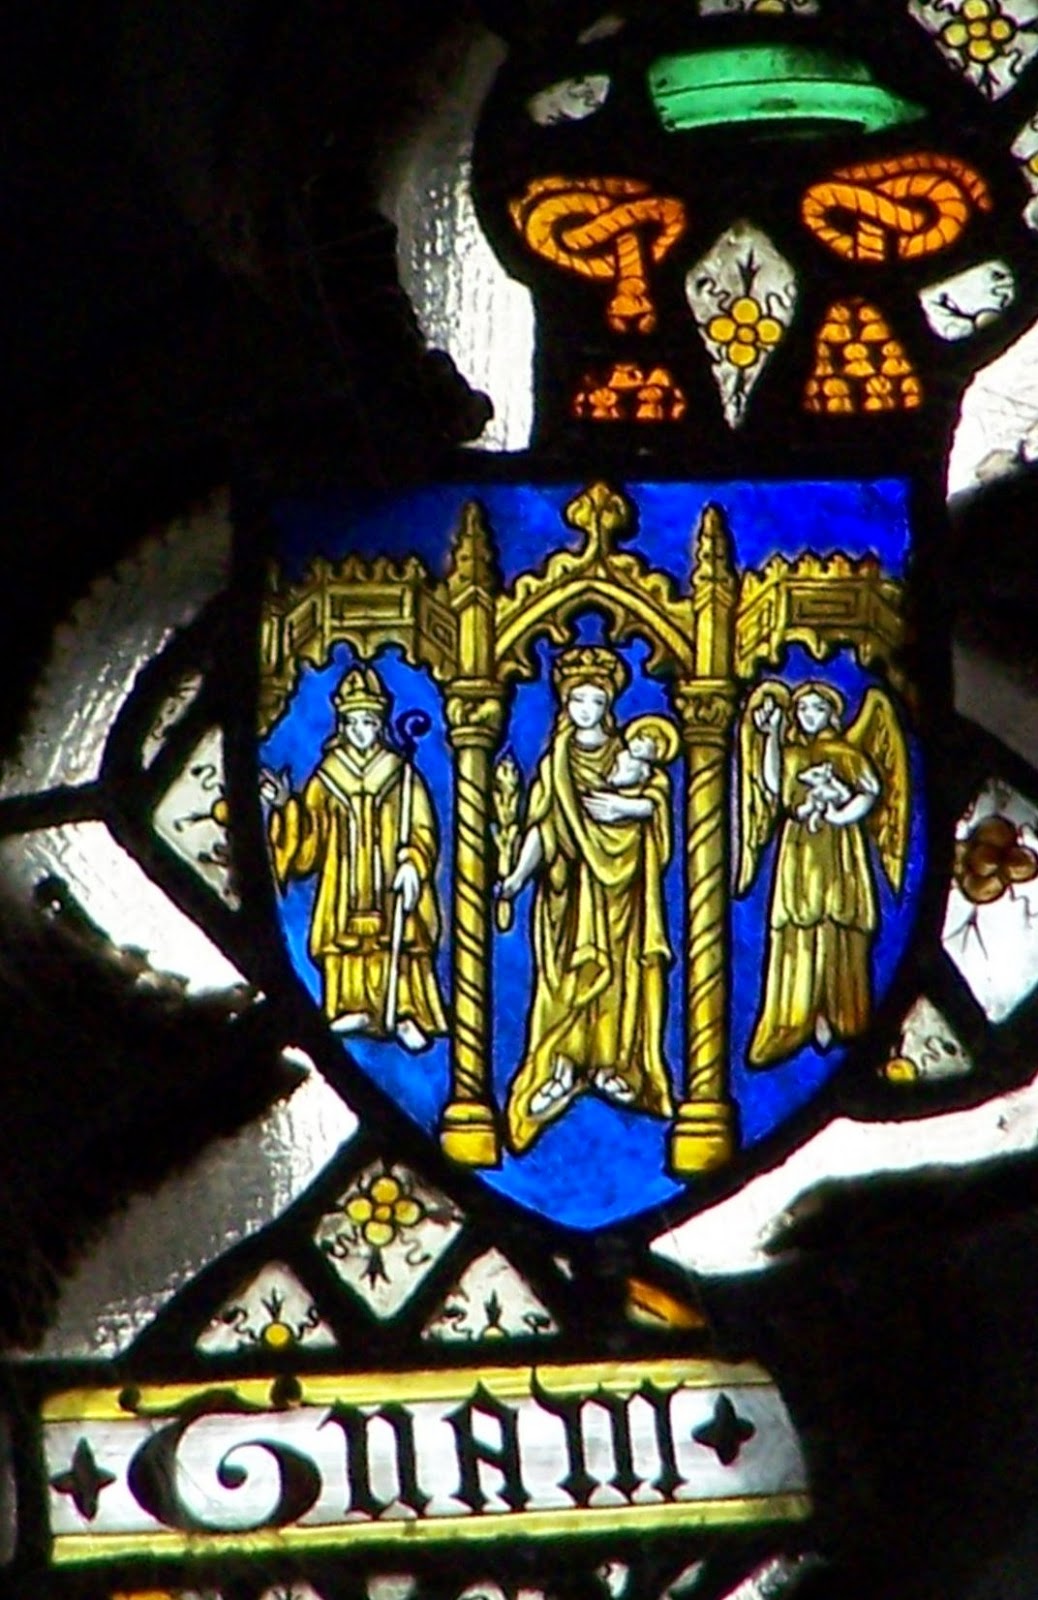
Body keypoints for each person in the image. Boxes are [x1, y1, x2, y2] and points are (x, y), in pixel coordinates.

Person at [497, 646, 677, 1152]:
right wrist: (514, 878)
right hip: (567, 894)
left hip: (625, 892)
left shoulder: (634, 756)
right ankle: (561, 1065)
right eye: (576, 700)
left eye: (595, 700)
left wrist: (633, 806)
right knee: (561, 987)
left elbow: (658, 810)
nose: (584, 709)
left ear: (610, 704)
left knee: (620, 978)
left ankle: (612, 1064)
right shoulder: (556, 762)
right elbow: (544, 827)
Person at [260, 665, 447, 1052]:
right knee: (345, 941)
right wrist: (285, 806)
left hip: (390, 879)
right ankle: (352, 1005)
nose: (363, 730)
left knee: (401, 938)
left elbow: (423, 828)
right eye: (355, 722)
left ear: (380, 724)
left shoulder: (403, 775)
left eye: (369, 722)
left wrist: (413, 862)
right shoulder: (327, 776)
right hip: (344, 880)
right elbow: (308, 845)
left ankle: (406, 1011)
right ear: (342, 725)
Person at [743, 681, 883, 1066]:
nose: (807, 717)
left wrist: (840, 808)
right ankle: (794, 1013)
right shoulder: (793, 754)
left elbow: (869, 791)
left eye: (816, 710)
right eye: (802, 711)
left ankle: (843, 1010)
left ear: (832, 714)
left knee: (838, 917)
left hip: (838, 848)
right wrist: (770, 732)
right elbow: (773, 783)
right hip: (800, 846)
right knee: (796, 923)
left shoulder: (845, 753)